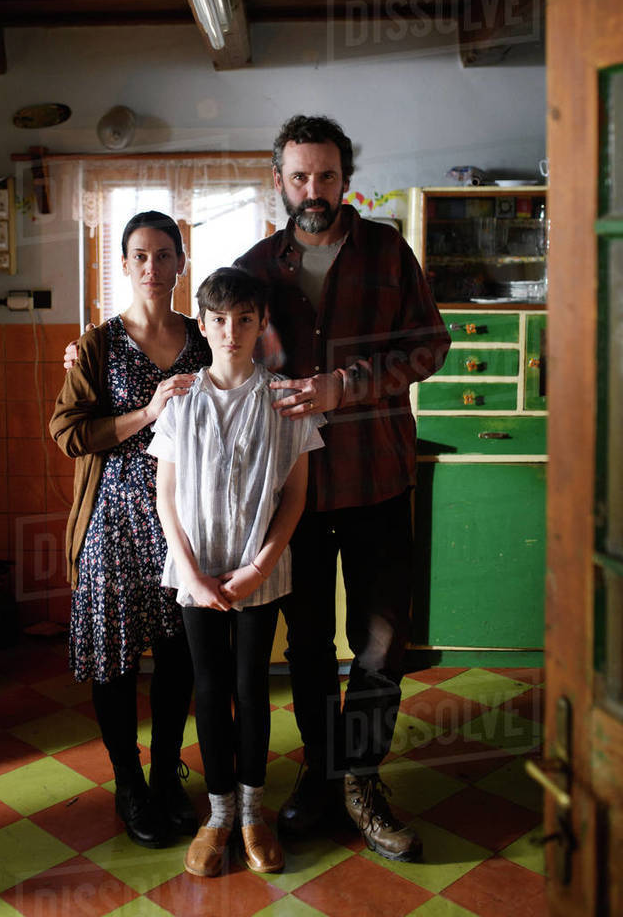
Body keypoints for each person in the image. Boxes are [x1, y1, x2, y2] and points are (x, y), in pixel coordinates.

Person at [234, 115, 451, 862]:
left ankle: (362, 778)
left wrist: (347, 386)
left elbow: (431, 344)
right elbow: (225, 358)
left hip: (379, 481)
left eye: (326, 176)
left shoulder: (389, 251)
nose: (314, 191)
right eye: (299, 177)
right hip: (293, 493)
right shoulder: (257, 267)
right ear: (279, 181)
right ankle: (321, 779)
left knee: (380, 643)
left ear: (345, 178)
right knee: (307, 652)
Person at [148, 267, 324, 878]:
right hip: (194, 573)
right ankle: (218, 813)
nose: (232, 331)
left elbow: (295, 497)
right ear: (203, 324)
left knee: (252, 690)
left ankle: (253, 811)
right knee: (209, 688)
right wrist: (192, 576)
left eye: (244, 319)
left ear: (261, 323)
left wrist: (258, 567)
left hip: (259, 573)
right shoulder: (180, 398)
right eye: (219, 320)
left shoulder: (284, 398)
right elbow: (166, 496)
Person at [49, 211, 211, 849]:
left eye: (164, 254)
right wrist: (149, 410)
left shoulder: (204, 339)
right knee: (115, 661)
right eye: (139, 255)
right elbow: (68, 432)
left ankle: (167, 771)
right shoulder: (96, 344)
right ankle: (127, 782)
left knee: (179, 656)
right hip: (112, 522)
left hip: (183, 524)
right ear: (124, 265)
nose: (152, 267)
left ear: (180, 264)